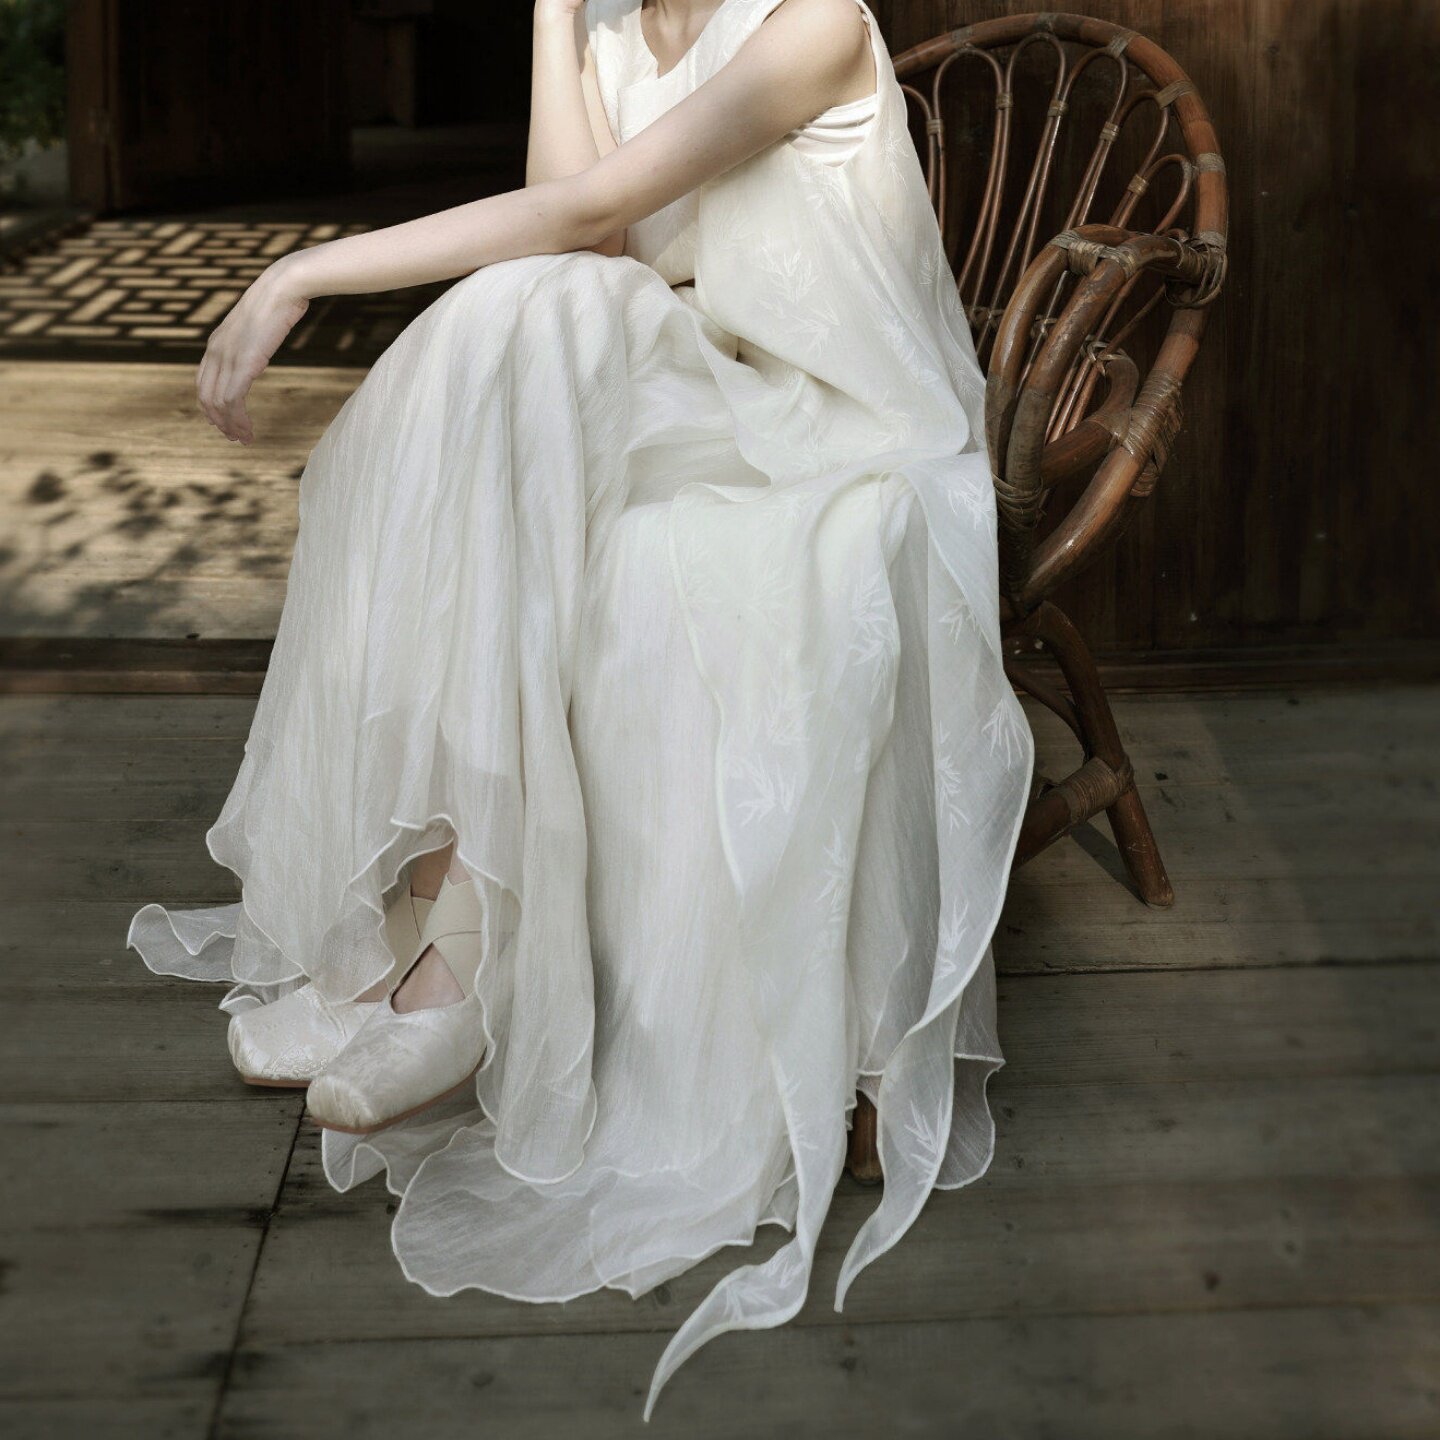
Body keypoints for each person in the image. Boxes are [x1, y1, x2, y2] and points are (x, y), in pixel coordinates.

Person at [127, 0, 1035, 1418]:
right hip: (710, 398)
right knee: (531, 320)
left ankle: (449, 955)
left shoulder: (808, 22)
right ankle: (433, 930)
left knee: (529, 318)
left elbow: (586, 212)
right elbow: (584, 245)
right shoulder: (609, 28)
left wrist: (302, 270)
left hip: (843, 429)